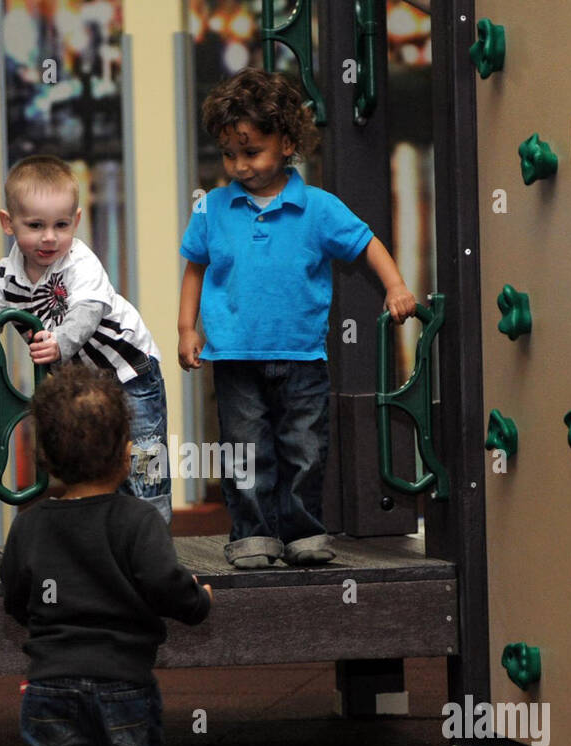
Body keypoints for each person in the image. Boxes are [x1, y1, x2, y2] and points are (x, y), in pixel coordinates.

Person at [178, 68, 419, 568]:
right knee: (246, 451)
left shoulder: (316, 207)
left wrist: (395, 286)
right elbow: (195, 268)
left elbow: (367, 243)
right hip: (235, 356)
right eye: (229, 154)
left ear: (287, 143)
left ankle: (303, 532)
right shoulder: (212, 208)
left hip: (303, 355)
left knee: (304, 448)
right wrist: (186, 328)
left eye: (251, 151)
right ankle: (251, 535)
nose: (239, 165)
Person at [0, 363, 213, 746]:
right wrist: (199, 603)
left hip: (49, 686)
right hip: (123, 683)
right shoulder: (137, 521)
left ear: (46, 455)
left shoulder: (29, 524)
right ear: (125, 453)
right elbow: (167, 585)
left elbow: (16, 596)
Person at [0, 155, 172, 523]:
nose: (49, 237)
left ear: (77, 222)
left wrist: (60, 343)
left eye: (61, 224)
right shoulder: (6, 277)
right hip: (85, 388)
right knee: (96, 466)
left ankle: (154, 541)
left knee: (144, 463)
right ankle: (111, 545)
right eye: (35, 225)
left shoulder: (80, 262)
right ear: (8, 223)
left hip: (130, 372)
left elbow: (88, 312)